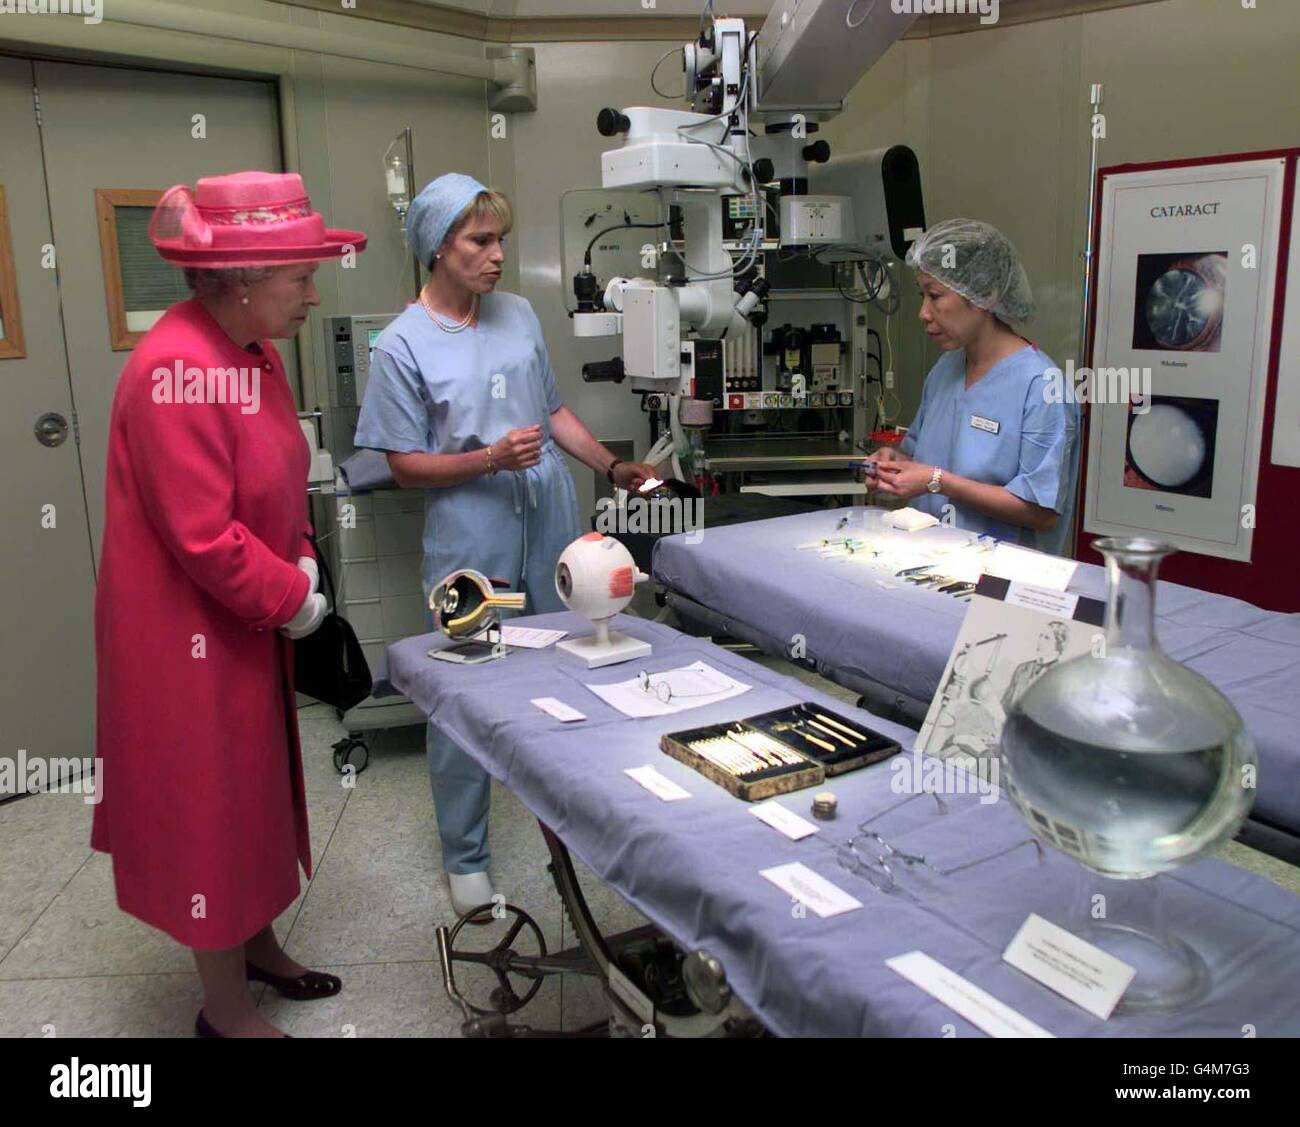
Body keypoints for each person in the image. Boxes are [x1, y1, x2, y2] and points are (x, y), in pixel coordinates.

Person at [92, 171, 367, 1038]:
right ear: (242, 277)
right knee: (211, 804)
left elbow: (271, 481)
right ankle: (223, 1008)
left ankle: (258, 945)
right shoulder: (174, 366)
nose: (313, 295)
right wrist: (294, 593)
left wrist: (296, 559)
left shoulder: (252, 351)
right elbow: (202, 536)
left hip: (244, 617)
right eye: (301, 278)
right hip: (186, 633)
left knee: (252, 786)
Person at [355, 173, 655, 918]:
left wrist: (612, 466)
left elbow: (552, 410)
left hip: (547, 503)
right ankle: (465, 856)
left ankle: (579, 823)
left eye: (501, 241)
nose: (496, 256)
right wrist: (489, 458)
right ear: (436, 246)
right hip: (468, 520)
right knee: (467, 685)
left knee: (567, 661)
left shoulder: (518, 314)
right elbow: (400, 463)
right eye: (479, 241)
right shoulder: (401, 346)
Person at [869, 219, 1080, 555]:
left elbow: (1041, 512)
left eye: (936, 296)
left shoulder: (1040, 387)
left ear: (985, 295)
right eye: (922, 295)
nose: (923, 313)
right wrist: (894, 464)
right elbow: (921, 454)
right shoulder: (947, 369)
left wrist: (937, 481)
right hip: (925, 560)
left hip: (998, 580)